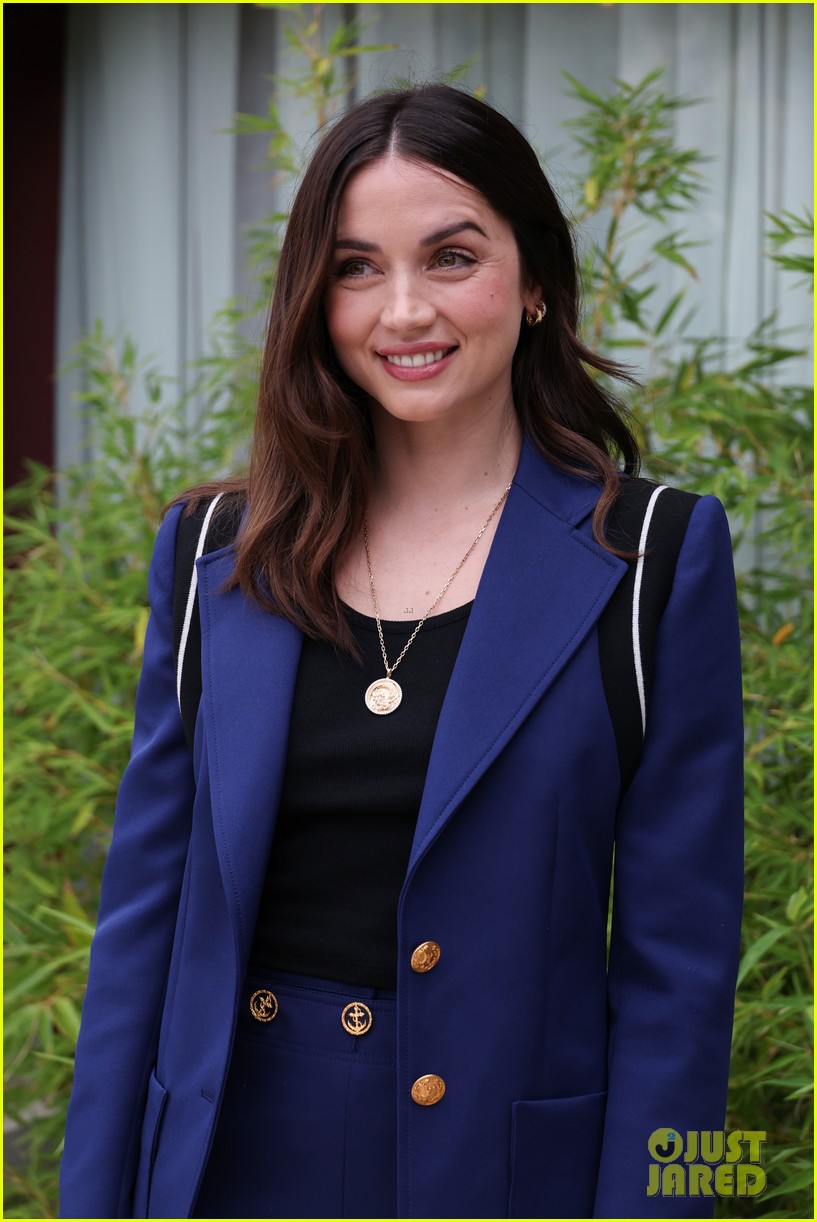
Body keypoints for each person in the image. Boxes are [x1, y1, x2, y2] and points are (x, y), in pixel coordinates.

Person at [59, 84, 744, 1220]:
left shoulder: (654, 556)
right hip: (223, 1164)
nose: (404, 310)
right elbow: (139, 928)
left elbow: (685, 974)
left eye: (452, 257)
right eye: (355, 268)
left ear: (535, 280)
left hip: (506, 1179)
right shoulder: (214, 551)